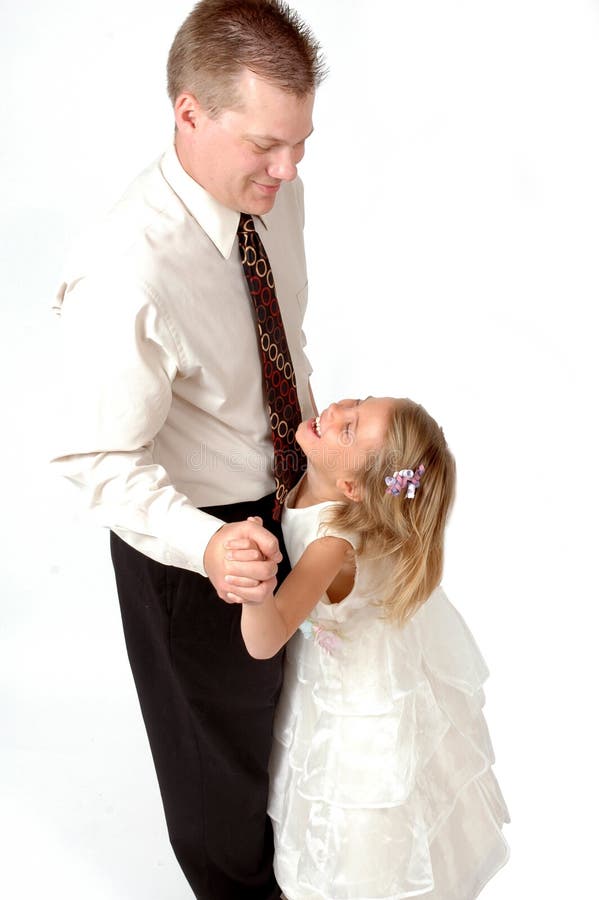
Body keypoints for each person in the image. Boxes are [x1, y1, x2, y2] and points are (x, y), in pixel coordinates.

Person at [51, 2, 325, 898]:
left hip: (294, 502)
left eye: (300, 143)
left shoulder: (270, 195)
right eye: (266, 145)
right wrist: (209, 547)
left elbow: (281, 338)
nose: (288, 170)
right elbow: (96, 460)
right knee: (222, 787)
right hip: (197, 545)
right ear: (189, 112)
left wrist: (326, 474)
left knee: (301, 741)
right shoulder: (124, 269)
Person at [233, 396, 510, 900]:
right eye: (357, 403)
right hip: (347, 664)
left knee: (356, 836)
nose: (338, 409)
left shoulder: (331, 545)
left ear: (351, 489)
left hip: (356, 699)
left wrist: (256, 588)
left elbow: (266, 638)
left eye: (349, 428)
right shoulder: (330, 478)